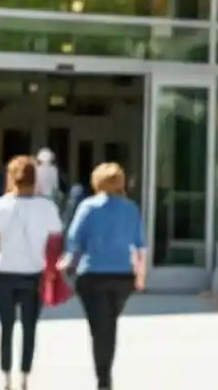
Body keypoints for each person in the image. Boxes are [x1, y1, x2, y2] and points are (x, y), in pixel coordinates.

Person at [58, 163, 146, 390]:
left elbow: (74, 238)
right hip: (122, 275)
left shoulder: (88, 206)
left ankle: (103, 379)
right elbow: (139, 245)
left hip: (92, 274)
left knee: (99, 328)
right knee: (109, 324)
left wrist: (68, 259)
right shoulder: (131, 208)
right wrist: (140, 276)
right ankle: (104, 376)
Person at [0, 155, 63, 390]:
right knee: (30, 327)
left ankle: (6, 377)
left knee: (6, 327)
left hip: (4, 271)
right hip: (33, 272)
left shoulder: (2, 205)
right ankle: (25, 377)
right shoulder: (47, 207)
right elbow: (55, 238)